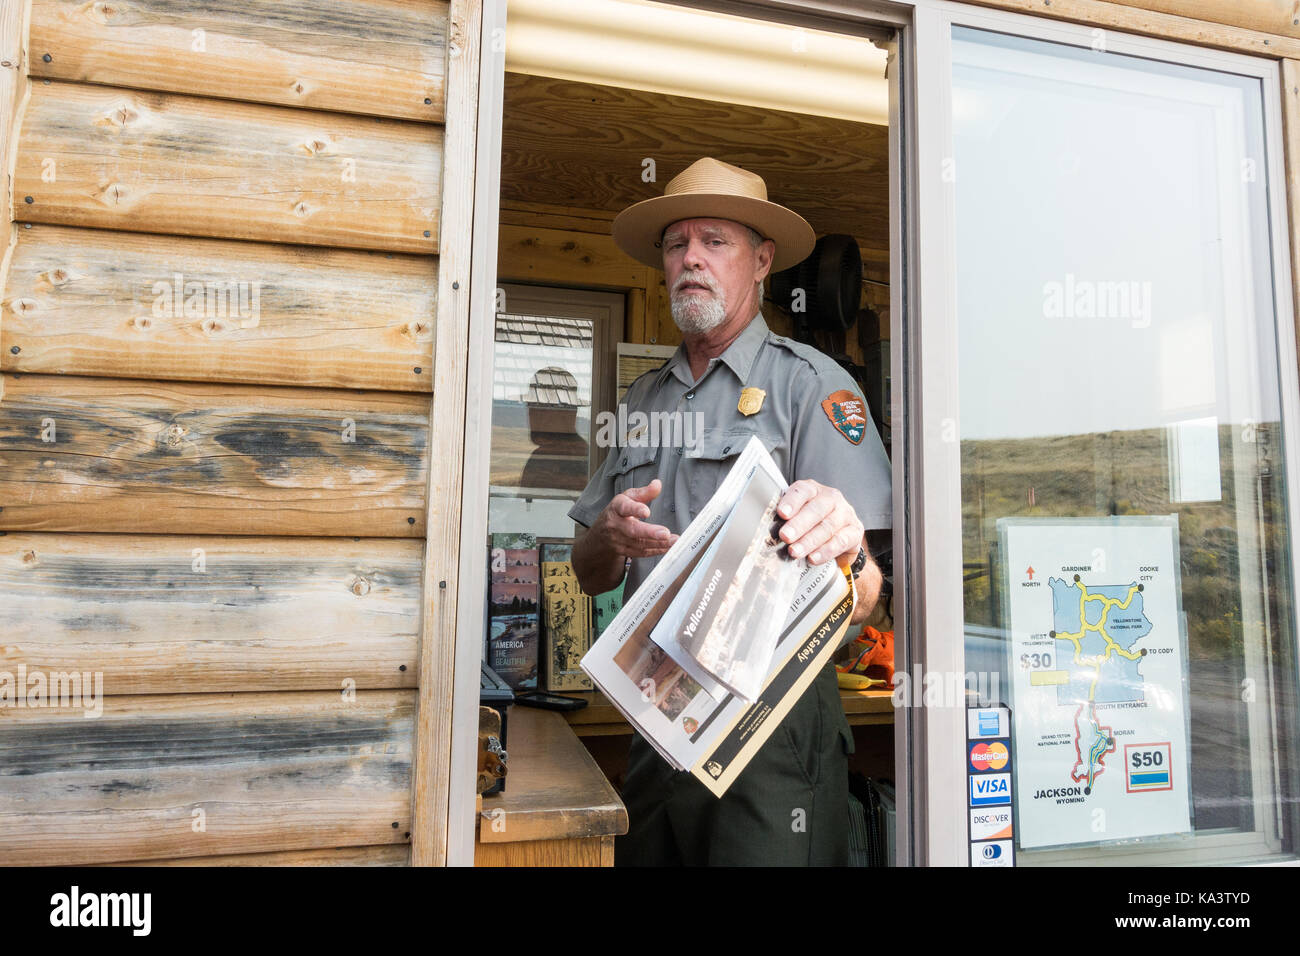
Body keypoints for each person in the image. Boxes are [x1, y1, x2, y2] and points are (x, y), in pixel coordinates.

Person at [569, 157, 893, 865]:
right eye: (676, 244)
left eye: (714, 241)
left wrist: (847, 550)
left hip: (772, 737)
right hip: (658, 722)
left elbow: (866, 597)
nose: (691, 259)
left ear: (761, 262)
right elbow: (589, 574)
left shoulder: (812, 387)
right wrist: (607, 536)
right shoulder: (641, 403)